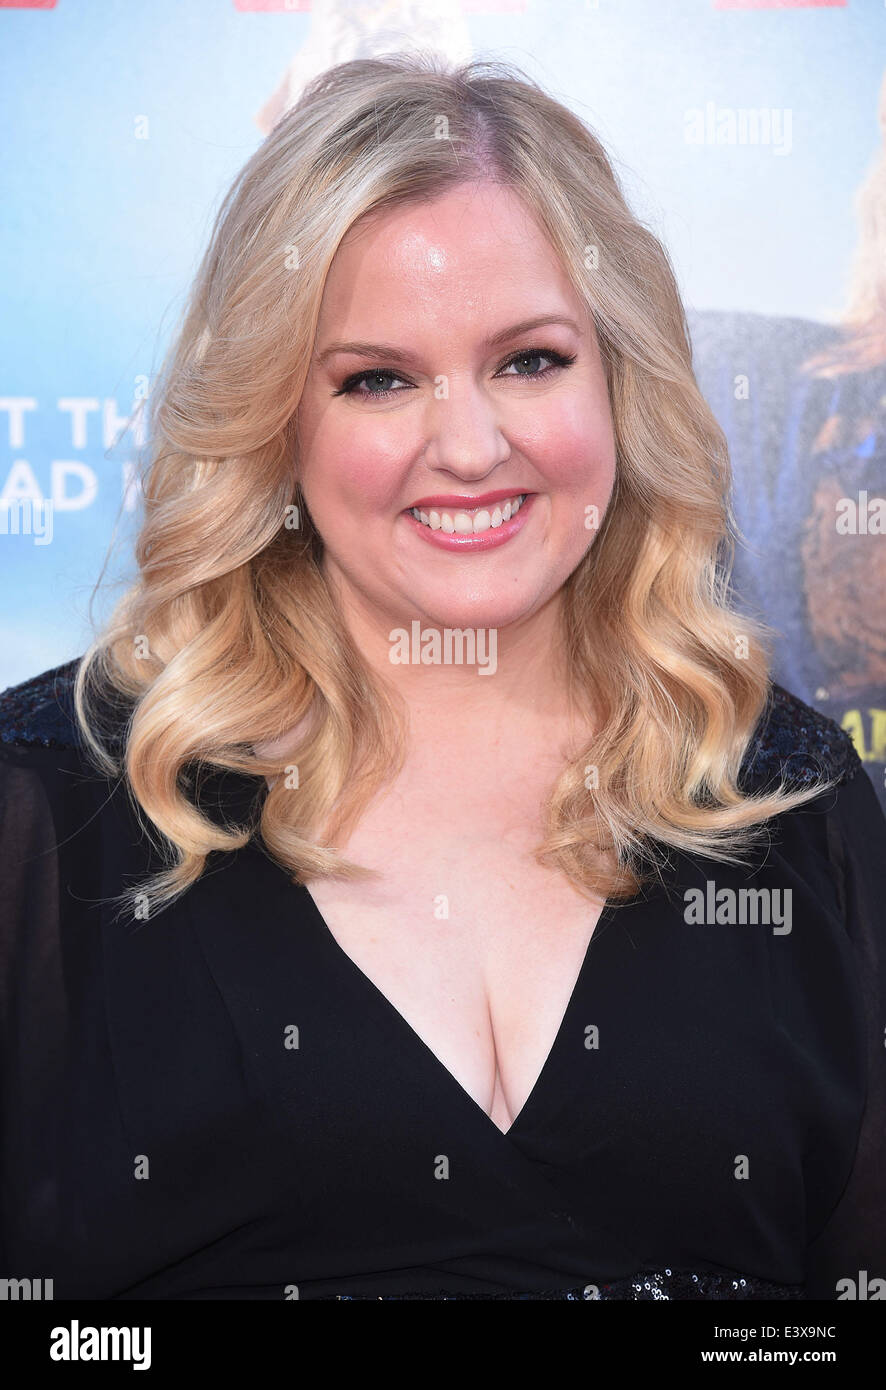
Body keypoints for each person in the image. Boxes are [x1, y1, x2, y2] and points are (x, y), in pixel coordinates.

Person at [1, 53, 884, 1302]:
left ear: (619, 381)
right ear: (274, 426)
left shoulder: (787, 798)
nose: (469, 446)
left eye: (529, 360)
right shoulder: (52, 807)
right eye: (377, 379)